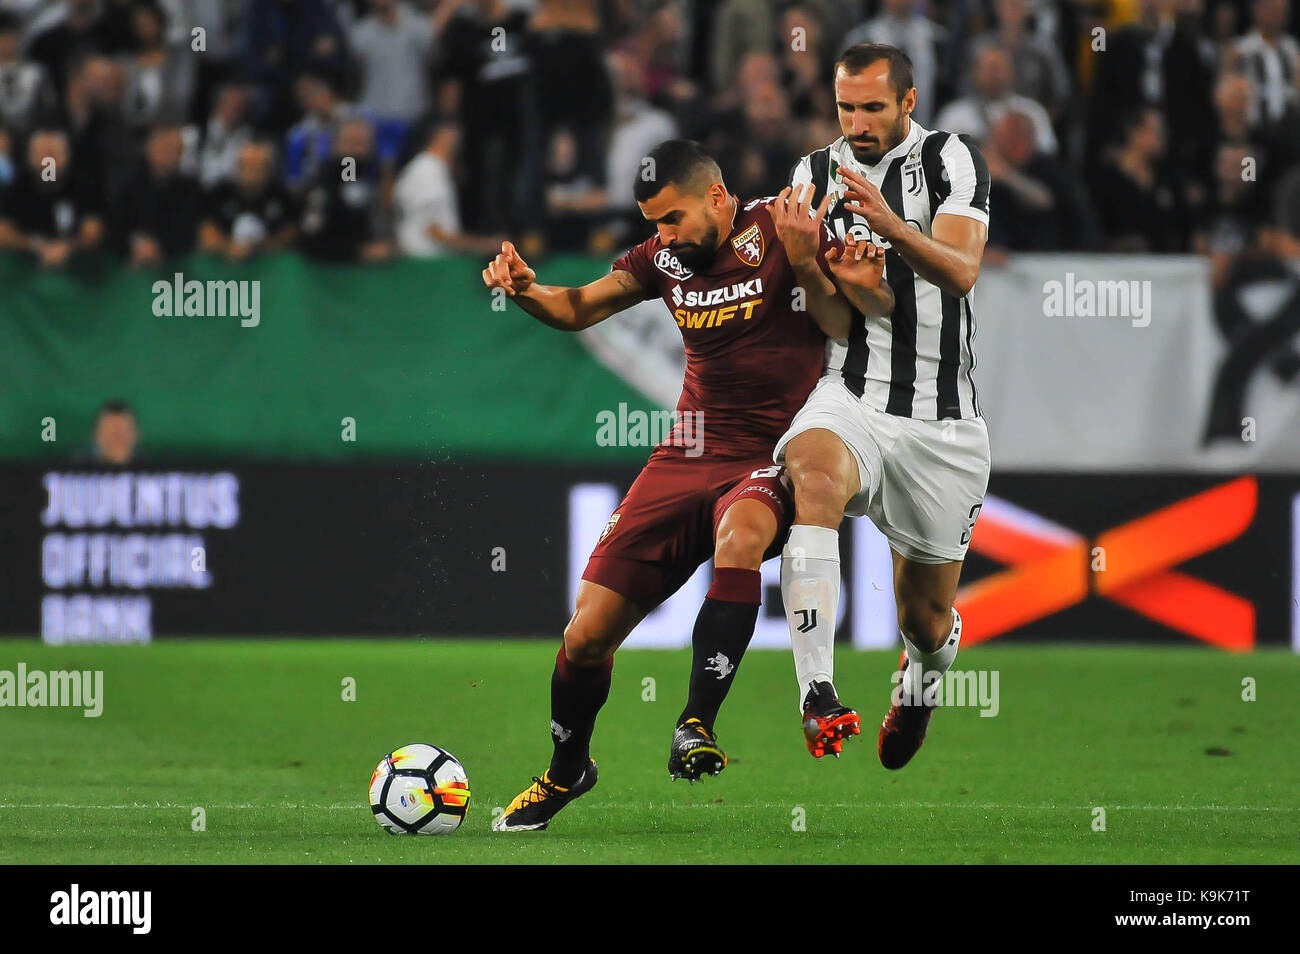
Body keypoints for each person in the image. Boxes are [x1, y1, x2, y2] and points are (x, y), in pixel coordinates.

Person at [485, 139, 893, 830]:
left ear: (715, 195)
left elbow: (850, 323)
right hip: (685, 454)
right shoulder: (665, 259)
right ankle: (566, 772)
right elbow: (580, 305)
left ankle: (695, 723)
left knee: (742, 533)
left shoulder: (785, 224)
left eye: (671, 218)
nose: (662, 236)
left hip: (776, 450)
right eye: (652, 222)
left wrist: (807, 259)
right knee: (584, 638)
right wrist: (527, 291)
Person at [777, 43, 992, 769]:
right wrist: (810, 263)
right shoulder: (811, 177)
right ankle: (819, 694)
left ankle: (923, 680)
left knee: (923, 618)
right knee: (813, 477)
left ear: (908, 100)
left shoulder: (952, 161)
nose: (859, 122)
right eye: (846, 107)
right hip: (853, 392)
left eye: (874, 106)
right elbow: (836, 324)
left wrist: (893, 228)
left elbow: (961, 273)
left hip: (941, 422)